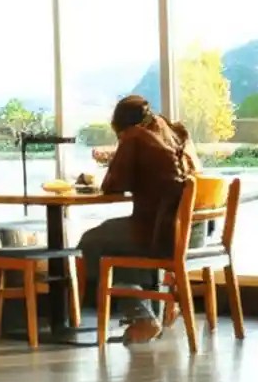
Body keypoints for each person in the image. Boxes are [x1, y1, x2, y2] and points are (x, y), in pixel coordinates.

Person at [78, 95, 200, 345]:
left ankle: (141, 315)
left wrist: (117, 158)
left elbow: (112, 185)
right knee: (116, 236)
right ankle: (166, 301)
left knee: (92, 241)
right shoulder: (174, 132)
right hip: (195, 230)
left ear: (121, 126)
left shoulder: (134, 136)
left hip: (163, 232)